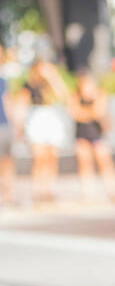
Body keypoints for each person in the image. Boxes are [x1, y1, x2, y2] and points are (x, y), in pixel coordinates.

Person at [17, 58, 69, 202]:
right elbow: (22, 104)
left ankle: (50, 188)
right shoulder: (28, 85)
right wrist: (20, 125)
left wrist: (54, 78)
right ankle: (37, 189)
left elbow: (63, 96)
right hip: (36, 119)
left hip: (51, 118)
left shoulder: (52, 84)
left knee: (52, 155)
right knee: (39, 157)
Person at [67, 68, 115, 200]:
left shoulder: (100, 94)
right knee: (84, 162)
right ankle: (88, 192)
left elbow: (98, 112)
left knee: (104, 161)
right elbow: (76, 114)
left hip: (98, 134)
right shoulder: (74, 96)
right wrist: (89, 113)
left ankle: (112, 189)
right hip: (81, 134)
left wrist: (87, 112)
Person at [0, 44, 20, 205]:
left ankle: (9, 193)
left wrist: (15, 124)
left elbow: (8, 103)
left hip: (4, 126)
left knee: (7, 160)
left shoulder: (3, 81)